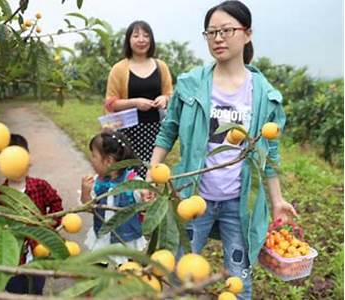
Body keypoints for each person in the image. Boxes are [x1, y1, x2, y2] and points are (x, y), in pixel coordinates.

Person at [147, 2, 297, 299]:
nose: (218, 38)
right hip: (192, 198)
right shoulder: (190, 85)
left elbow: (270, 153)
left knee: (239, 281)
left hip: (238, 205)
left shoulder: (264, 95)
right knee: (178, 275)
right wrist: (154, 173)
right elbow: (169, 130)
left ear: (247, 34)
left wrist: (277, 200)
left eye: (226, 30)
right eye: (211, 32)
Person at [0, 133, 64, 295]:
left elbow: (56, 204)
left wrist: (50, 226)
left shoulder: (40, 186)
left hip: (38, 254)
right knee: (14, 290)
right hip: (14, 258)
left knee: (36, 290)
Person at [104, 20, 173, 178]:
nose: (141, 40)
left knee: (152, 172)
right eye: (136, 36)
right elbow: (110, 103)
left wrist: (164, 99)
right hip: (127, 131)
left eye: (146, 36)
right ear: (129, 40)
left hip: (155, 130)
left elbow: (170, 94)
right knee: (127, 172)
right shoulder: (119, 68)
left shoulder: (161, 66)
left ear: (151, 40)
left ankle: (149, 200)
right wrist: (135, 103)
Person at [81, 130, 147, 265]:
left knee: (128, 271)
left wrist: (147, 197)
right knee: (97, 270)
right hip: (102, 236)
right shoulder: (97, 182)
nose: (91, 159)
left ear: (109, 161)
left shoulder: (133, 182)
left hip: (126, 240)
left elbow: (146, 201)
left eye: (94, 156)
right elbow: (89, 207)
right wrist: (85, 192)